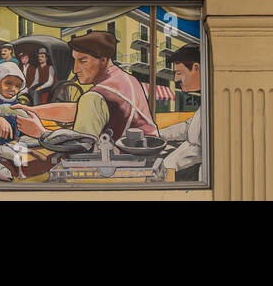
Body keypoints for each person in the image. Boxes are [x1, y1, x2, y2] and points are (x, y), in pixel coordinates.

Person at [23, 30, 156, 140]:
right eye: (75, 61)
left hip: (120, 163)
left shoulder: (95, 96)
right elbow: (76, 109)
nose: (75, 69)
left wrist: (40, 133)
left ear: (103, 60)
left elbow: (80, 146)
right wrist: (32, 110)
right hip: (146, 153)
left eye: (82, 61)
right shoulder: (127, 79)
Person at [161, 45, 203, 181]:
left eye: (179, 73)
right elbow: (187, 127)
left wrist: (166, 165)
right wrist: (156, 134)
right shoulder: (207, 102)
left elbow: (196, 150)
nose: (175, 79)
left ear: (196, 68)